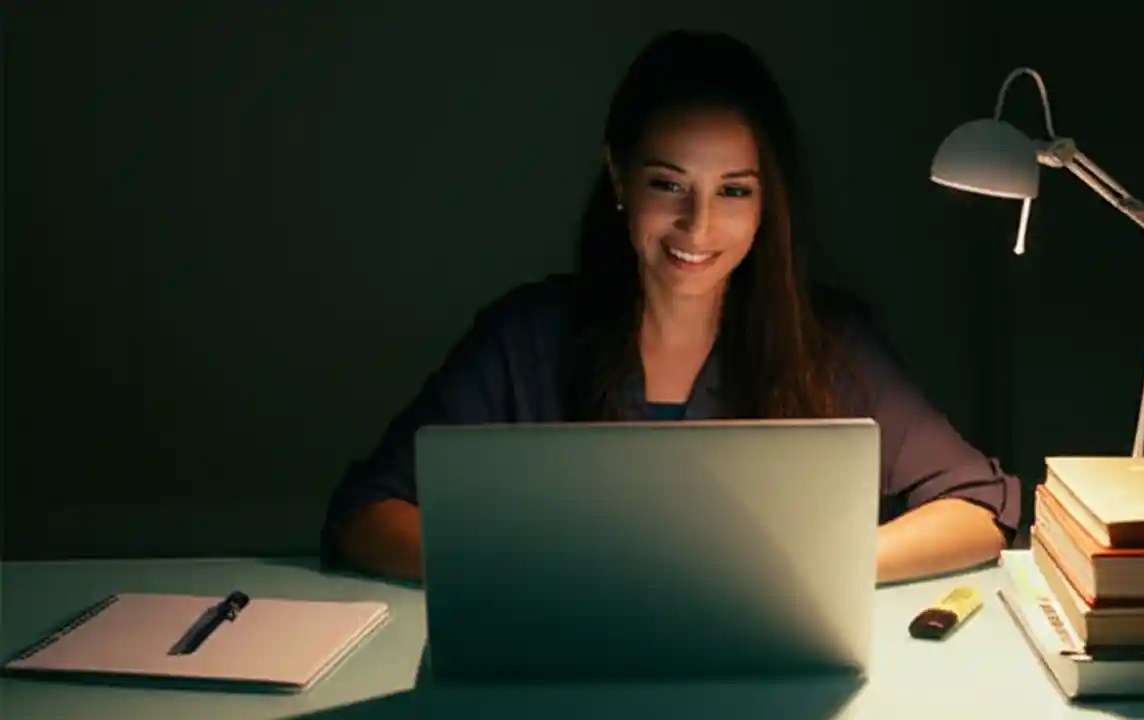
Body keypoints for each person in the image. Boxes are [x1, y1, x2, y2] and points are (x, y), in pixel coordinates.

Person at [320, 29, 1020, 585]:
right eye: (668, 184)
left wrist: (811, 573)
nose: (698, 225)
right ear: (618, 176)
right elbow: (366, 516)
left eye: (734, 191)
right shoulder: (527, 337)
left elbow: (978, 506)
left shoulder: (826, 339)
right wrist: (537, 577)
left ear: (767, 200)